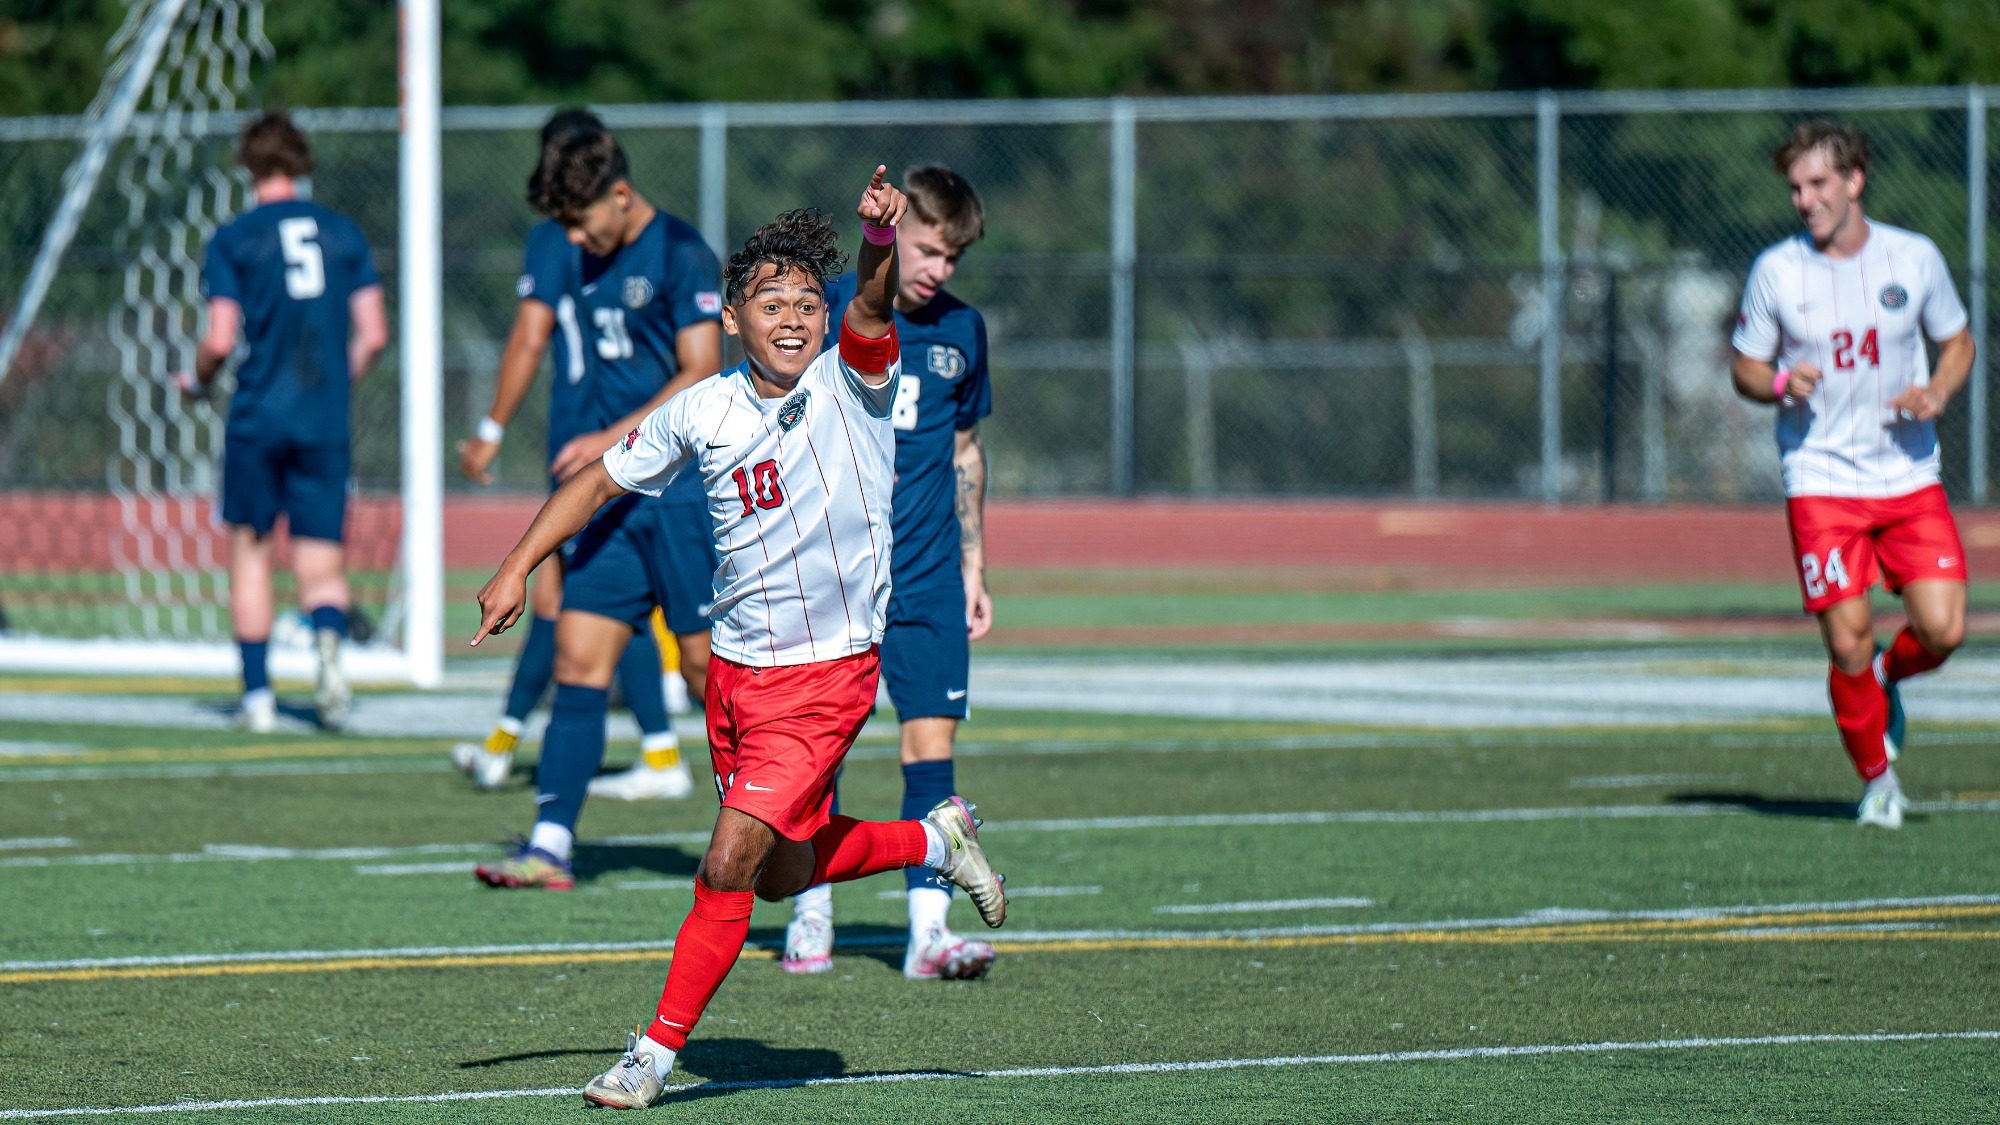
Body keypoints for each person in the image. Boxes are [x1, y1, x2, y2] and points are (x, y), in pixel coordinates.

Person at [471, 170, 1009, 1110]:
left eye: (806, 303)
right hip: (735, 678)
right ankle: (933, 838)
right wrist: (518, 562)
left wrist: (878, 245)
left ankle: (651, 1054)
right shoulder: (703, 409)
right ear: (731, 317)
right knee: (780, 875)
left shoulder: (858, 377)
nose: (793, 319)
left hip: (827, 679)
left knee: (725, 864)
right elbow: (597, 481)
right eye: (771, 303)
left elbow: (871, 303)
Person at [472, 128, 725, 891]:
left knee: (704, 670)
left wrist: (611, 439)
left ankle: (771, 824)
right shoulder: (582, 254)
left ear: (620, 194)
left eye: (583, 223)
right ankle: (550, 845)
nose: (575, 241)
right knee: (578, 661)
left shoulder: (681, 252)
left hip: (681, 497)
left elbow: (703, 371)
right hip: (610, 504)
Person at [784, 165, 997, 981]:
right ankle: (811, 908)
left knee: (929, 745)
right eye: (930, 249)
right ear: (897, 228)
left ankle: (927, 934)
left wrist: (974, 564)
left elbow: (965, 452)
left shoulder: (964, 330)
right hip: (836, 570)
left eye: (954, 257)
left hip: (930, 572)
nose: (940, 268)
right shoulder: (832, 306)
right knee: (820, 750)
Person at [1730, 120, 1975, 829]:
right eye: (1795, 188)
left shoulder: (1913, 257)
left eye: (1818, 184)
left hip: (1908, 476)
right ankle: (1878, 781)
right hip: (1822, 481)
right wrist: (1780, 384)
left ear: (1854, 181)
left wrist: (1939, 390)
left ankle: (1887, 676)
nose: (1804, 200)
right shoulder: (1778, 270)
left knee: (1943, 630)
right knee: (1846, 641)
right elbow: (1745, 366)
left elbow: (1958, 341)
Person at [449, 110, 686, 793]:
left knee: (585, 598)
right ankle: (648, 753)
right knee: (590, 597)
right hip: (603, 434)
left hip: (592, 437)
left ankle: (518, 748)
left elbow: (531, 336)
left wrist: (491, 428)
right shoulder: (602, 233)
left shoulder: (565, 237)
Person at [176, 112, 387, 733]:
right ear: (301, 163)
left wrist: (197, 381)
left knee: (250, 553)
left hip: (258, 417)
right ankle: (330, 659)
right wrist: (338, 382)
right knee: (321, 560)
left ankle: (259, 698)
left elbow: (219, 339)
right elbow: (374, 334)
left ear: (249, 166)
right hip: (324, 420)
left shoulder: (235, 238)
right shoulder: (343, 233)